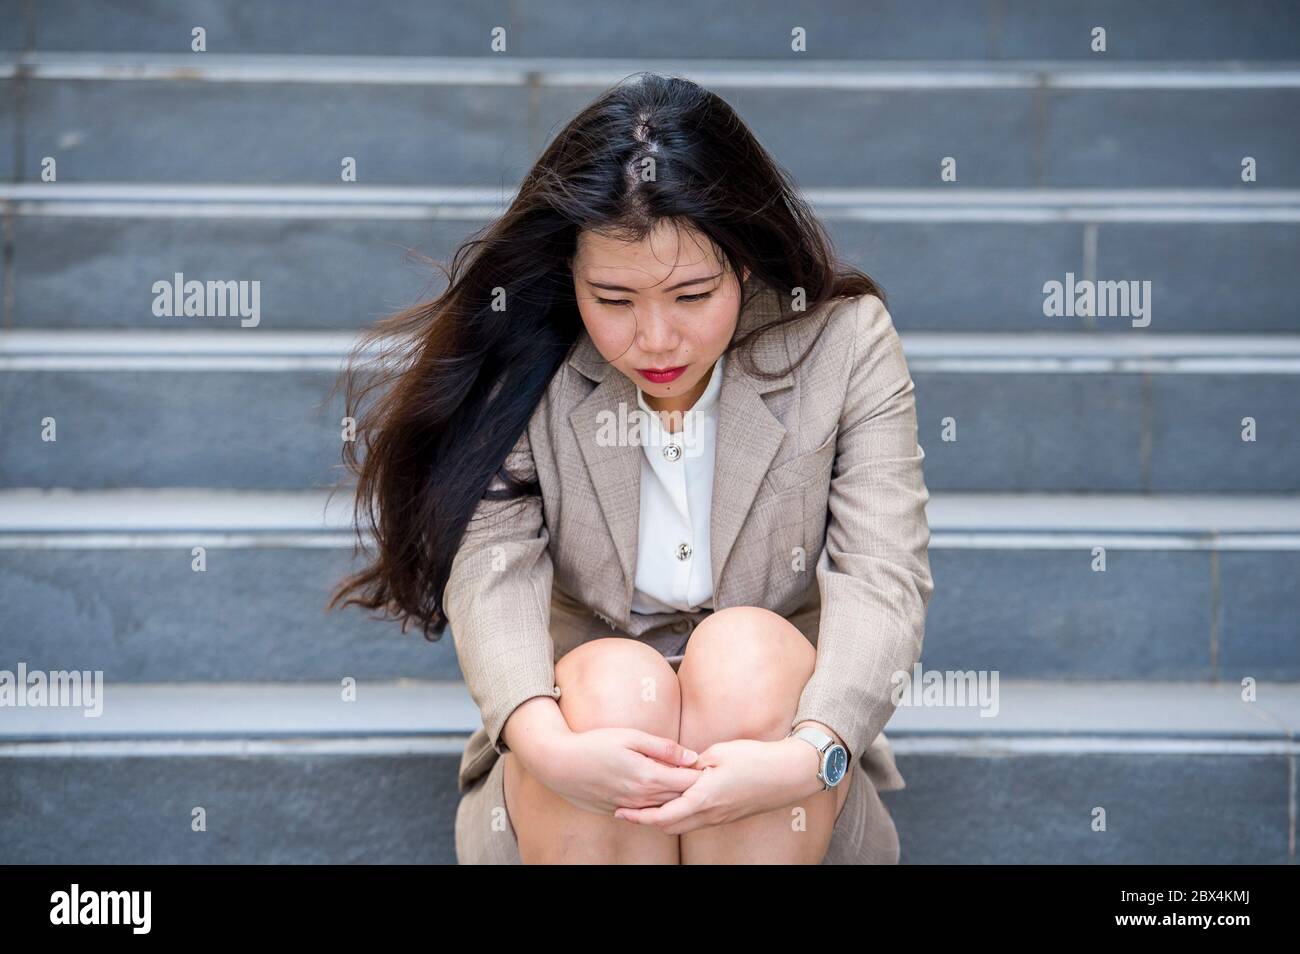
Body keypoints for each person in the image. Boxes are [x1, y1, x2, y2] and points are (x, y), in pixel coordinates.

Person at [329, 72, 934, 864]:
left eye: (692, 295)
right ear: (571, 277)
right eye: (613, 300)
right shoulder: (531, 348)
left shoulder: (845, 344)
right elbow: (492, 571)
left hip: (786, 764)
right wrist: (543, 741)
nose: (655, 340)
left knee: (745, 653)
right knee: (617, 686)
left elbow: (882, 576)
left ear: (744, 265)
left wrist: (810, 753)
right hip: (572, 756)